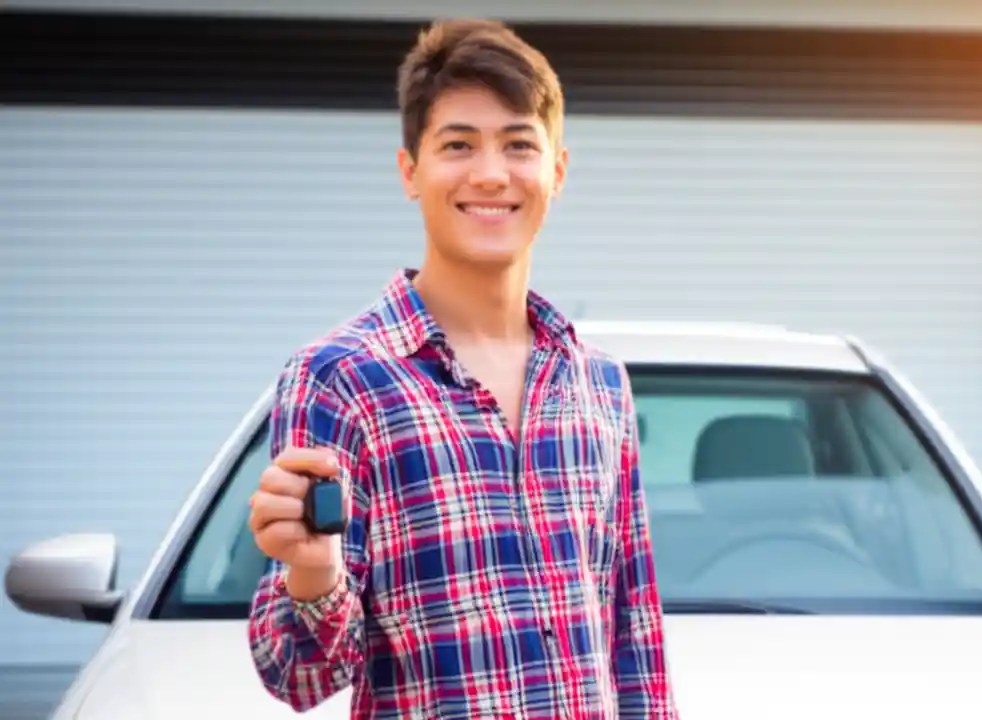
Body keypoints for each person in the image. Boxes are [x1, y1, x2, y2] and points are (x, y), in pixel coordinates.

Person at [245, 18, 679, 720]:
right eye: (458, 145)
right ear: (410, 172)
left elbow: (636, 646)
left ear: (557, 172)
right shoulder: (342, 380)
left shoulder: (600, 386)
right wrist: (313, 571)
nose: (490, 173)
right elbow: (298, 679)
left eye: (518, 145)